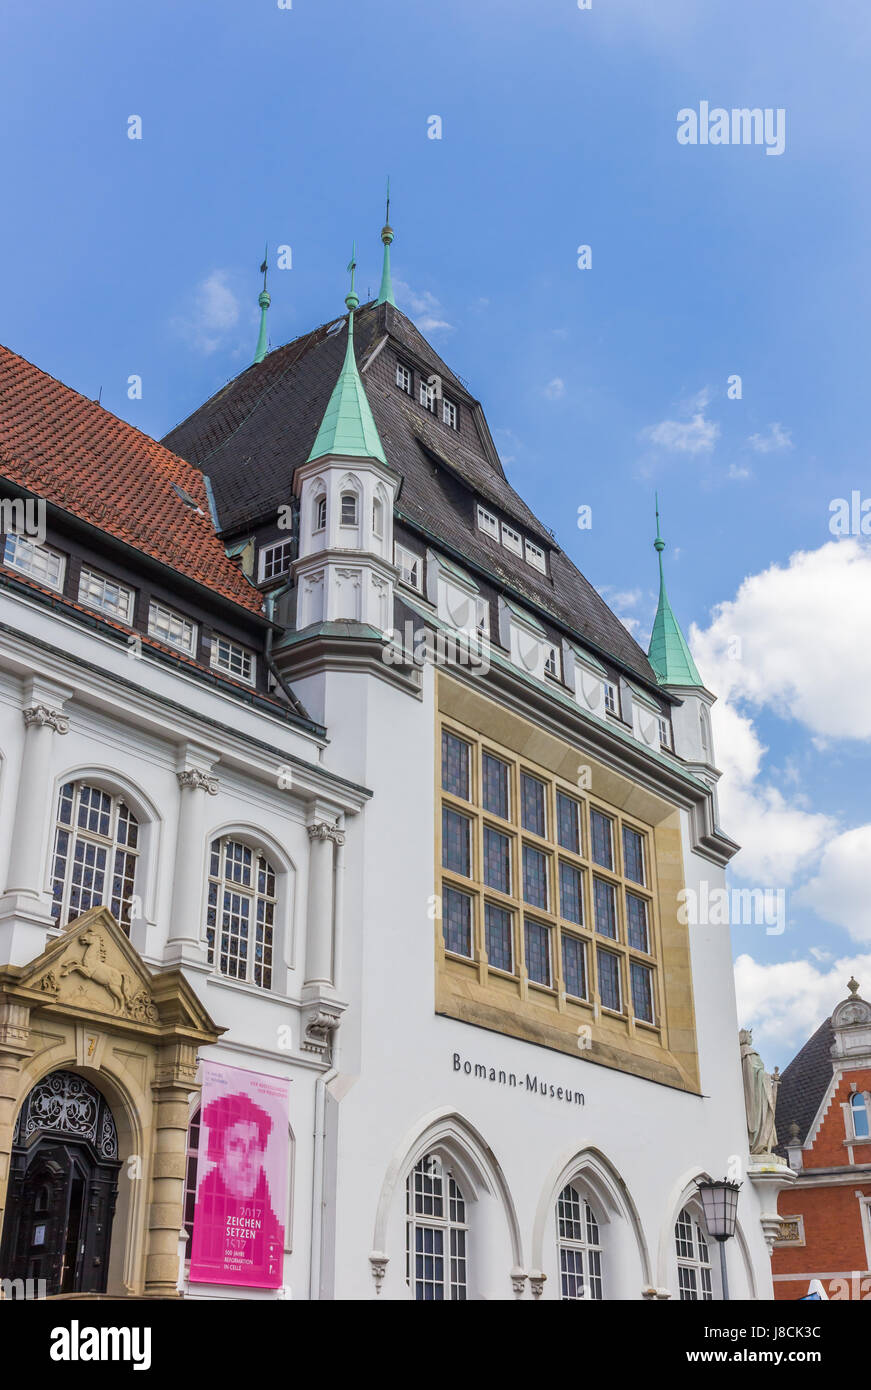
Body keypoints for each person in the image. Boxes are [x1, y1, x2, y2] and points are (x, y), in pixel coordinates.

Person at [190, 1090, 283, 1286]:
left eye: (254, 1147)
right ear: (219, 1154)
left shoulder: (272, 1222)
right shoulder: (203, 1208)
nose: (246, 1160)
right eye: (235, 1145)